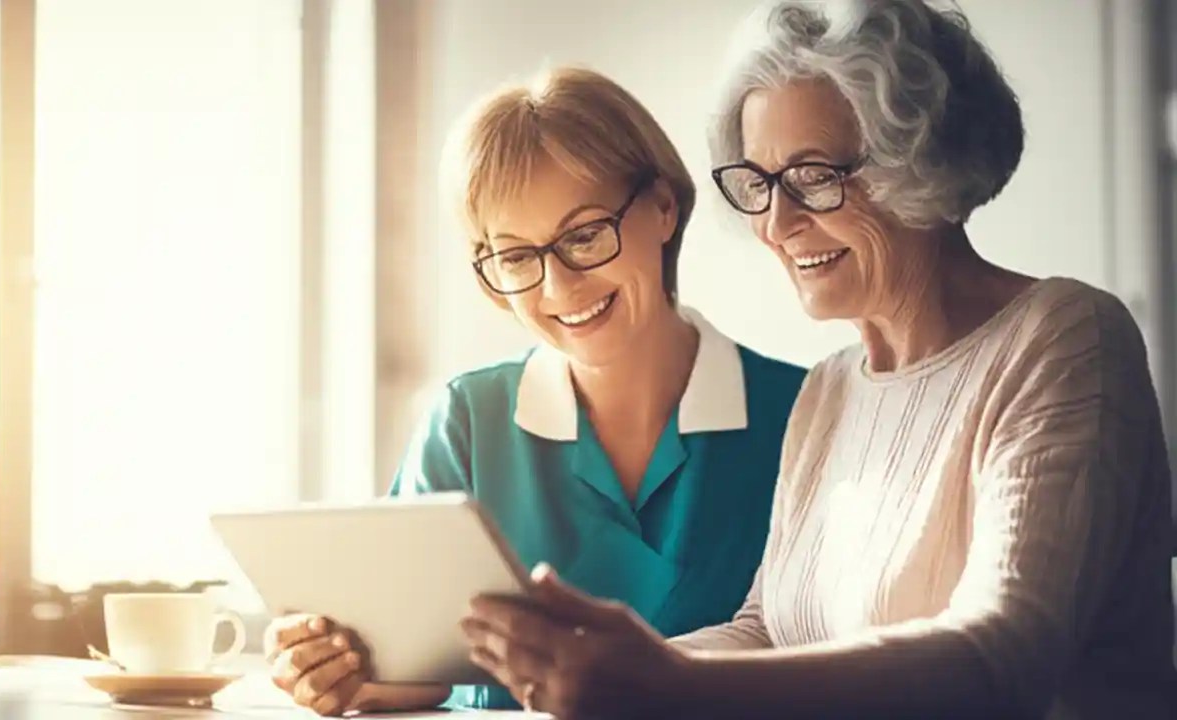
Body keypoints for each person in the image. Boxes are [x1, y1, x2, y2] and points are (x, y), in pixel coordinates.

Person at [460, 2, 1177, 718]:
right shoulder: (832, 386)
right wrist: (605, 671)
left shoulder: (1063, 335)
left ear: (918, 160)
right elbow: (766, 628)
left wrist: (667, 684)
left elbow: (1007, 652)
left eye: (812, 176)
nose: (776, 224)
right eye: (759, 182)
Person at [263, 66, 806, 715]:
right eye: (517, 256)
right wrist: (341, 667)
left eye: (584, 235)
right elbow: (416, 669)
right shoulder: (468, 423)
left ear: (663, 207)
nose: (559, 288)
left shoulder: (804, 415)